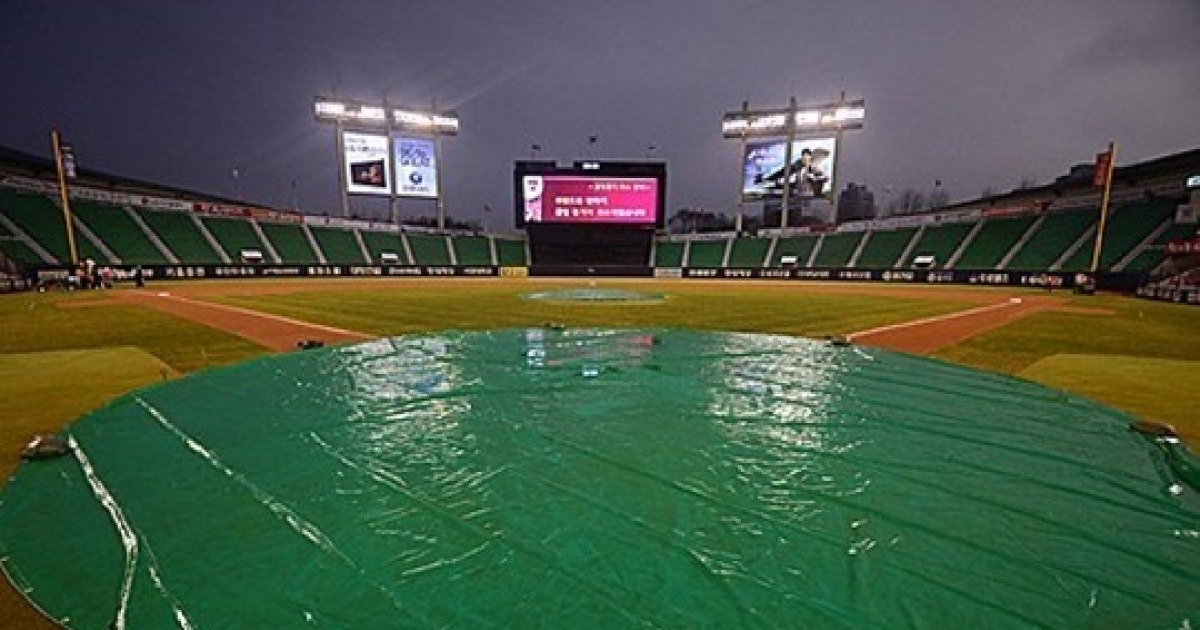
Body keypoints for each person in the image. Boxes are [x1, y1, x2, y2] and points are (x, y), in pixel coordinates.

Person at [754, 147, 830, 197]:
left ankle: (766, 182)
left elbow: (823, 177)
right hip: (796, 187)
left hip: (803, 190)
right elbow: (782, 173)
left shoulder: (814, 167)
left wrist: (817, 178)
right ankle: (764, 182)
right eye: (804, 157)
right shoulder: (798, 165)